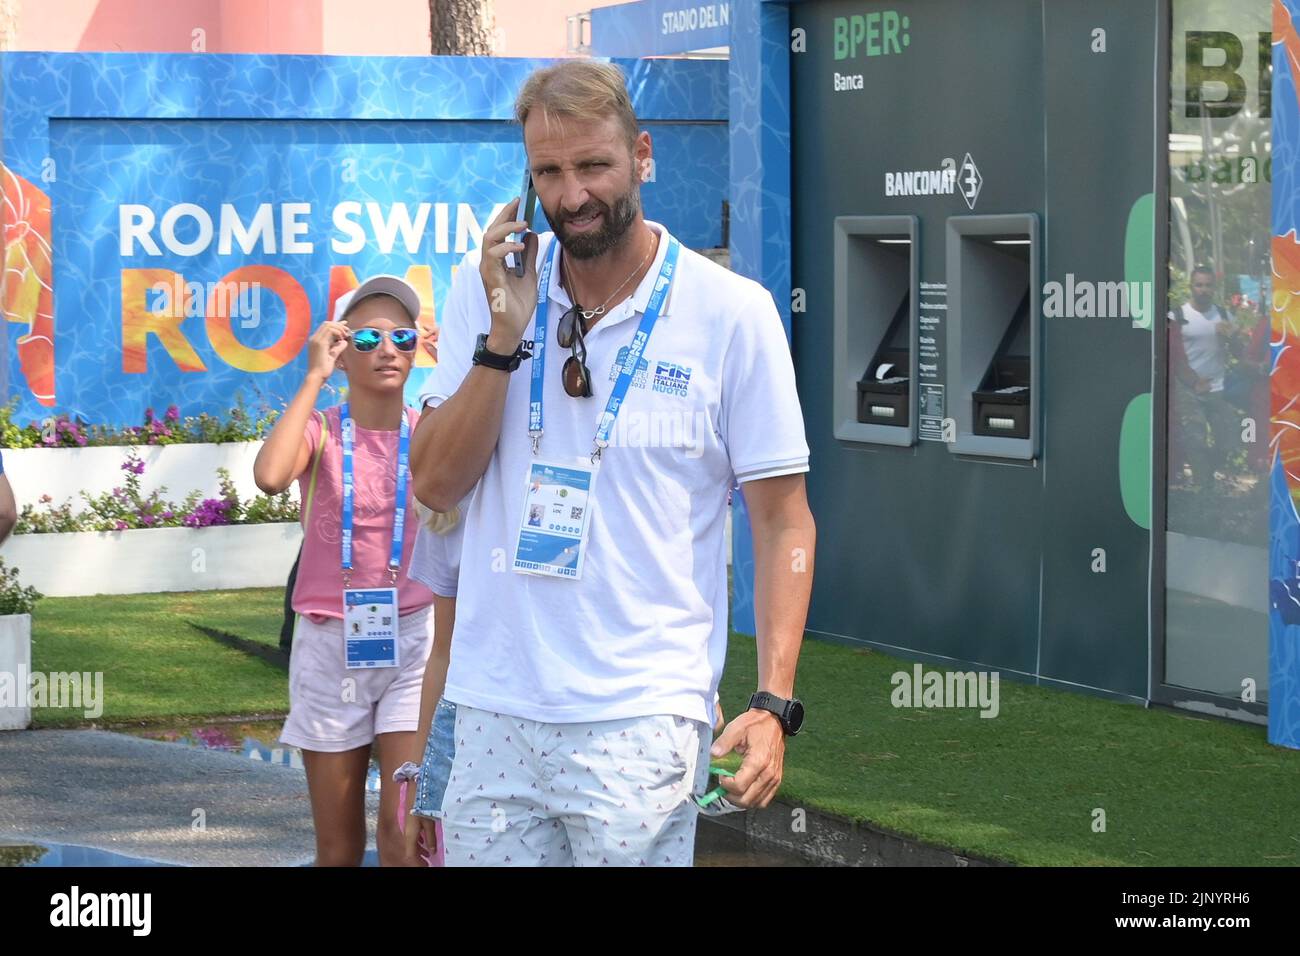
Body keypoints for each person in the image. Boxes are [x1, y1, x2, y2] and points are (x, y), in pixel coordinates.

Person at [410, 60, 816, 866]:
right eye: (548, 172)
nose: (571, 196)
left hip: (642, 714)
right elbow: (435, 482)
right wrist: (502, 337)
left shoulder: (732, 314)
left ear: (642, 154)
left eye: (593, 165)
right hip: (494, 707)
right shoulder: (484, 290)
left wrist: (774, 700)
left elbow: (782, 521)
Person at [253, 275, 434, 866]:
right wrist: (312, 377)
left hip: (415, 641)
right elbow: (271, 476)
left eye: (402, 336)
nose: (387, 349)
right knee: (338, 848)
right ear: (340, 346)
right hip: (332, 641)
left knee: (405, 833)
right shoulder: (323, 429)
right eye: (367, 338)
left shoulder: (430, 431)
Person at [1169, 265, 1241, 486]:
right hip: (1188, 388)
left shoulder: (1224, 315)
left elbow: (1240, 351)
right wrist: (1193, 381)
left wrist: (1231, 337)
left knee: (1228, 439)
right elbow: (1174, 355)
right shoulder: (1176, 316)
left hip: (1217, 387)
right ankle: (1204, 489)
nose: (1203, 290)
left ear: (1214, 288)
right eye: (1199, 285)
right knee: (1195, 439)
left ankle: (1209, 470)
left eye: (1208, 285)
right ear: (1191, 286)